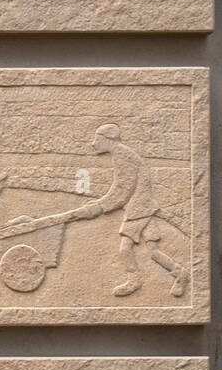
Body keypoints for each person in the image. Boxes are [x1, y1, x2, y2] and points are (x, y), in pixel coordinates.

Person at [74, 123, 187, 298]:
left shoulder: (122, 155)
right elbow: (122, 190)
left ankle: (134, 280)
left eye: (97, 139)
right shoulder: (122, 153)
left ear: (108, 139)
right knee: (154, 251)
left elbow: (121, 191)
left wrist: (98, 207)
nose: (93, 143)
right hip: (143, 207)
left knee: (125, 249)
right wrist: (98, 203)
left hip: (138, 210)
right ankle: (180, 273)